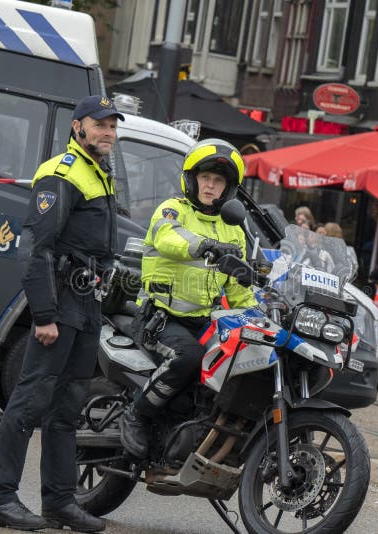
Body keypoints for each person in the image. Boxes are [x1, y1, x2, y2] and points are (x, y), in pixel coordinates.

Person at [0, 95, 124, 533]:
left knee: (67, 411)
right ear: (78, 127)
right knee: (28, 405)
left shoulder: (99, 173)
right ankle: (0, 500)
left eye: (113, 126)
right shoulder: (61, 173)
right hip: (59, 305)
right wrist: (43, 315)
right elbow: (36, 250)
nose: (108, 132)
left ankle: (60, 502)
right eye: (100, 125)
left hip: (86, 306)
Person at [119, 138, 256, 459]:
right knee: (188, 358)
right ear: (192, 180)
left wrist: (255, 313)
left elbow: (237, 288)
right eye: (205, 178)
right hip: (160, 316)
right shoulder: (172, 210)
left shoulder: (233, 229)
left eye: (218, 181)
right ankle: (136, 415)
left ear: (228, 189)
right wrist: (204, 245)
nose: (210, 185)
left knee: (235, 363)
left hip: (202, 321)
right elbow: (169, 237)